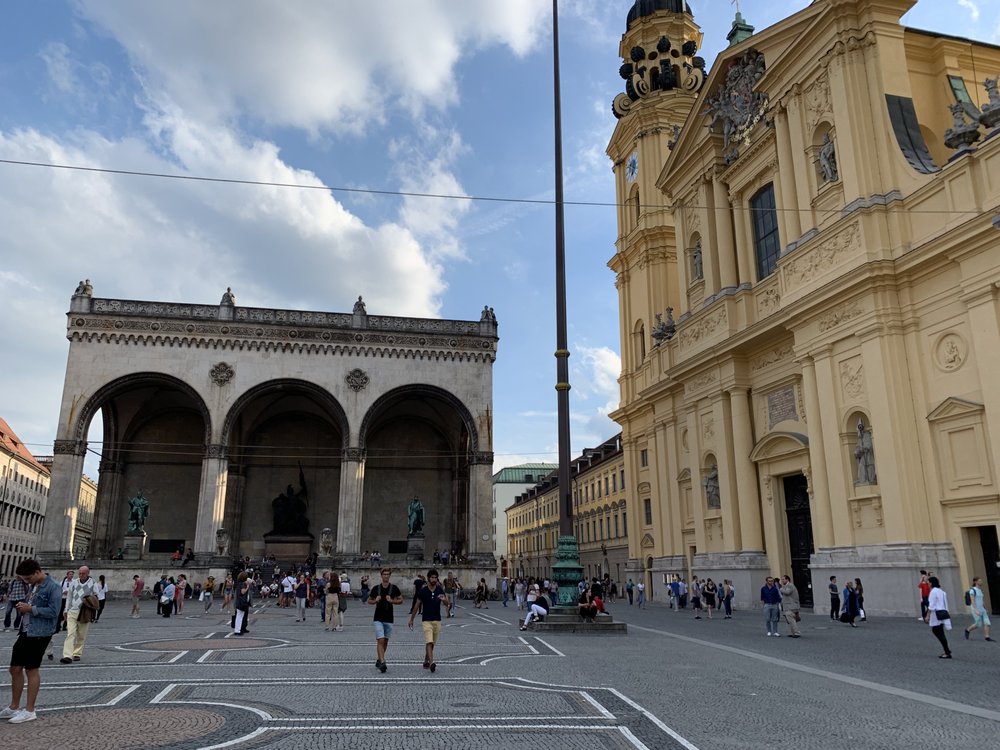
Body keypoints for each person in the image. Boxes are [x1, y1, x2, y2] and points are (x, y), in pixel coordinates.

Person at [2, 559, 62, 724]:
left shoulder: (53, 587)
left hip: (40, 633)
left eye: (28, 578)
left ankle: (29, 710)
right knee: (14, 668)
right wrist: (24, 605)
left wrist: (31, 609)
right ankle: (14, 707)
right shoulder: (35, 585)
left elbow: (54, 611)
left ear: (37, 571)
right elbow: (33, 603)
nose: (27, 581)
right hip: (26, 630)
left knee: (31, 669)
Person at [408, 568, 450, 672]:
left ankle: (426, 660)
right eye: (432, 577)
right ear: (428, 578)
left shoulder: (440, 589)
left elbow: (446, 603)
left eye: (435, 577)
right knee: (429, 641)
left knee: (432, 643)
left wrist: (444, 600)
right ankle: (432, 663)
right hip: (426, 620)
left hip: (437, 620)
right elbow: (417, 605)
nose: (434, 579)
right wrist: (411, 619)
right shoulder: (423, 591)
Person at [368, 567, 403, 673]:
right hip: (378, 617)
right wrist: (375, 600)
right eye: (384, 574)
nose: (386, 576)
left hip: (389, 618)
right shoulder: (376, 588)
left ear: (390, 576)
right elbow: (369, 600)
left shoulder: (394, 588)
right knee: (381, 640)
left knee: (385, 641)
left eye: (388, 574)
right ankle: (383, 662)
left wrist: (392, 601)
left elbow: (401, 600)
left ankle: (379, 659)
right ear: (381, 575)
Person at [61, 566, 98, 664]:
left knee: (81, 634)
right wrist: (66, 610)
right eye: (80, 573)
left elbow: (96, 596)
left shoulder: (93, 583)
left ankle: (77, 653)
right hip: (73, 611)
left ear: (88, 573)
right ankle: (67, 655)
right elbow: (69, 597)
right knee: (70, 633)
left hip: (85, 612)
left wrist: (90, 602)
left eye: (83, 573)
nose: (81, 575)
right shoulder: (74, 582)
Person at [924, 576, 952, 658]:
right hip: (943, 612)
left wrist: (927, 616)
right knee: (940, 631)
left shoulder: (933, 592)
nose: (928, 584)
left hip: (936, 614)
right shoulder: (941, 591)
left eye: (928, 582)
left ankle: (947, 651)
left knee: (937, 631)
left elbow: (931, 605)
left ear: (931, 583)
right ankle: (947, 650)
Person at [964, 577, 993, 642]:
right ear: (975, 582)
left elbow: (982, 600)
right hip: (975, 609)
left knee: (987, 623)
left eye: (981, 581)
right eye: (979, 581)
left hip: (982, 609)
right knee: (978, 624)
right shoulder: (972, 590)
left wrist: (985, 608)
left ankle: (987, 637)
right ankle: (967, 630)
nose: (981, 582)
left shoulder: (980, 590)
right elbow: (973, 601)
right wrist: (976, 610)